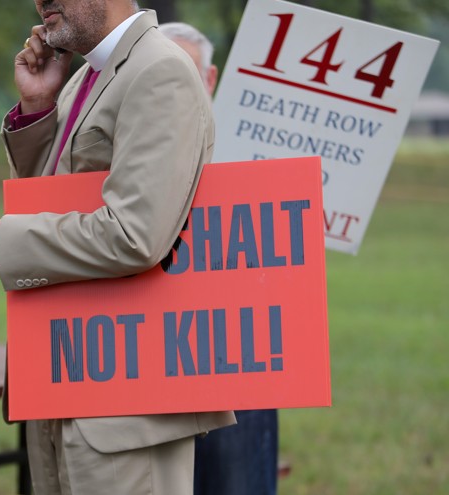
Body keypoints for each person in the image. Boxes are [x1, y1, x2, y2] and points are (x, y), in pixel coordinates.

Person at [0, 2, 235, 494]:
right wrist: (39, 108)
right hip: (63, 378)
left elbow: (136, 234)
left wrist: (7, 240)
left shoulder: (160, 69)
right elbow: (49, 202)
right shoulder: (85, 77)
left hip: (126, 407)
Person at [159, 21, 280, 495]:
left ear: (209, 79)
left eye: (184, 71)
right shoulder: (125, 145)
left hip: (238, 358)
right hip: (154, 357)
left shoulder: (256, 155)